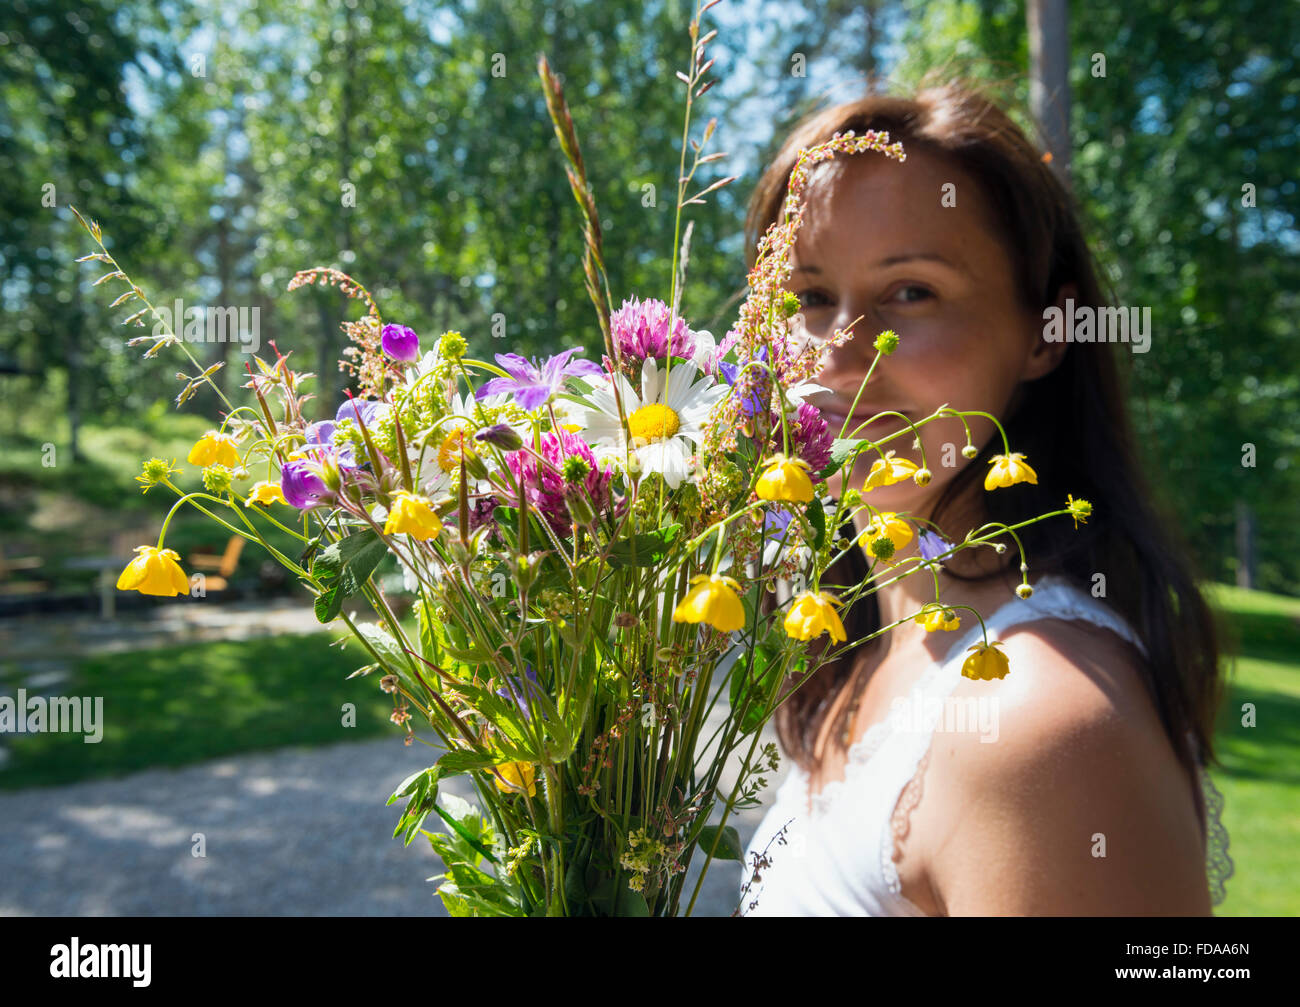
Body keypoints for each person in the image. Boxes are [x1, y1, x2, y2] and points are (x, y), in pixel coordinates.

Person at [738, 82, 1232, 916]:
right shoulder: (862, 647)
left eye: (911, 292)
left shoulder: (1037, 722)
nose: (838, 352)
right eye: (810, 296)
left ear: (1046, 331)